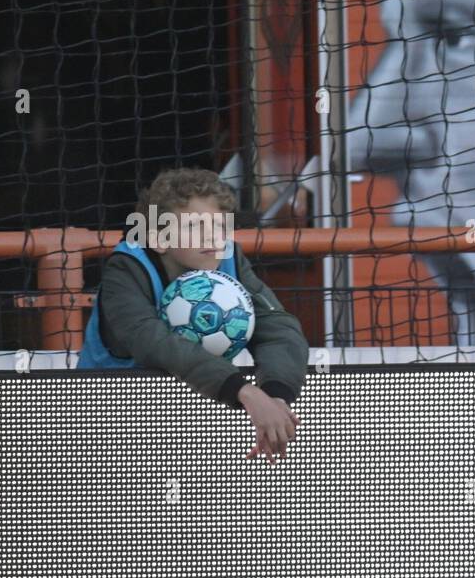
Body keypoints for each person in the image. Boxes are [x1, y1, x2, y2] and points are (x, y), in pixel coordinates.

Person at [77, 168, 307, 463]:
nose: (213, 237)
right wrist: (246, 393)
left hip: (189, 419)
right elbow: (156, 344)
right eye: (196, 226)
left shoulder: (227, 258)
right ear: (159, 239)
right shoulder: (125, 272)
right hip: (109, 420)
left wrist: (275, 397)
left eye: (220, 226)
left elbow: (278, 328)